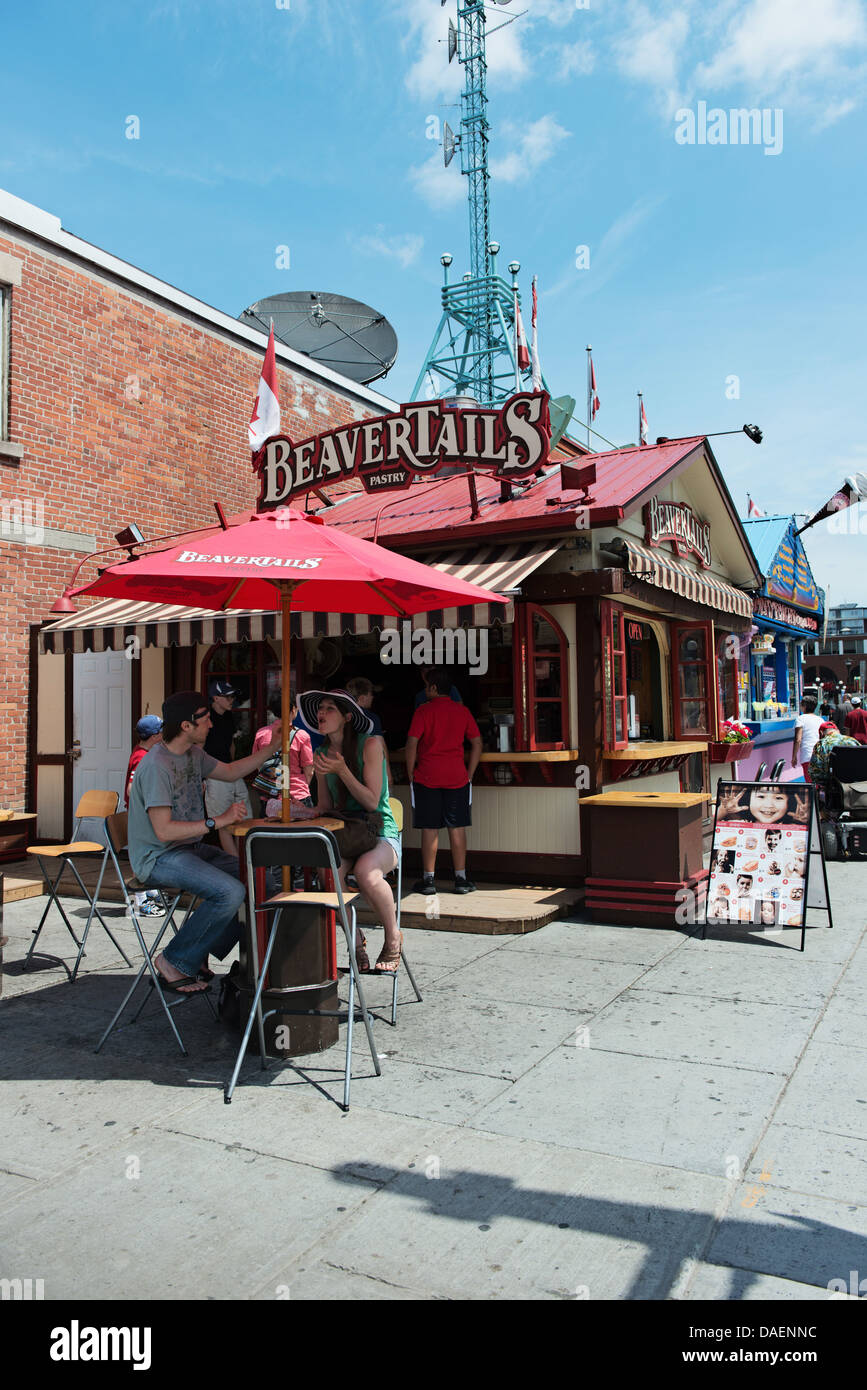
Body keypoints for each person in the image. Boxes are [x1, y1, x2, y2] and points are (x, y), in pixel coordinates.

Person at [127, 689, 282, 993]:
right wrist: (218, 821)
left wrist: (273, 747)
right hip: (158, 857)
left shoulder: (192, 754)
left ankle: (196, 953)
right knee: (229, 892)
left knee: (261, 881)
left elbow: (231, 770)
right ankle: (173, 961)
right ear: (186, 725)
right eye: (206, 718)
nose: (211, 724)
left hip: (189, 850)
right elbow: (164, 832)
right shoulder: (157, 765)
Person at [297, 688, 402, 974]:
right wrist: (300, 811)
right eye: (320, 708)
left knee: (368, 874)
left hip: (380, 830)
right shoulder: (320, 753)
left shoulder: (370, 745)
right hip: (346, 833)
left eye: (330, 708)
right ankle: (355, 941)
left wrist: (343, 770)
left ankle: (393, 938)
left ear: (346, 717)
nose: (321, 713)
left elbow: (371, 802)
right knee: (328, 873)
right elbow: (325, 805)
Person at [405, 665, 483, 894]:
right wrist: (470, 772)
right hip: (457, 776)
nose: (425, 690)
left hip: (427, 775)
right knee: (457, 827)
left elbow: (411, 744)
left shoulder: (423, 711)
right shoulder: (463, 711)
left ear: (434, 688)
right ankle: (461, 879)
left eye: (428, 686)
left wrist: (410, 771)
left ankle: (428, 881)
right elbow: (477, 743)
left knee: (430, 828)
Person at [204, 679, 252, 854]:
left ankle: (242, 861)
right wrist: (202, 777)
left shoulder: (228, 716)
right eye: (227, 696)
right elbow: (198, 746)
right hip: (214, 774)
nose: (232, 700)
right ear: (215, 698)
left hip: (230, 771)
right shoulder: (206, 718)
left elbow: (231, 743)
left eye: (232, 697)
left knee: (243, 817)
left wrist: (232, 766)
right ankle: (234, 863)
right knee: (223, 821)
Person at [124, 715, 164, 919]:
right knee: (141, 858)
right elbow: (132, 789)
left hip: (143, 815)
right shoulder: (141, 757)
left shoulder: (143, 753)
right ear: (155, 736)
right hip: (141, 817)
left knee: (150, 854)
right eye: (161, 731)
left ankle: (150, 892)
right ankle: (139, 902)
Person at [252, 691, 314, 812]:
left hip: (269, 795)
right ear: (293, 709)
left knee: (270, 830)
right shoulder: (301, 735)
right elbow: (309, 770)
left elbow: (257, 764)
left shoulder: (261, 734)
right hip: (298, 794)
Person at [809, 719, 860, 800]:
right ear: (837, 730)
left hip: (832, 789)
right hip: (855, 787)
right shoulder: (853, 741)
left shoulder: (821, 744)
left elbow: (814, 772)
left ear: (822, 733)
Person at [792, 695, 823, 781]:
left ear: (804, 706)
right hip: (819, 755)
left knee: (809, 782)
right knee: (818, 782)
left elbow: (798, 739)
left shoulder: (800, 719)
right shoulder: (820, 720)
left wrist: (794, 757)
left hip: (807, 754)